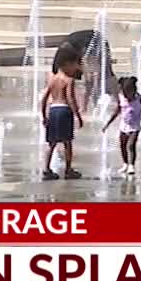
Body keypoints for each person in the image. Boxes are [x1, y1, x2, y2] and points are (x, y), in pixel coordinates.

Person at [39, 44, 85, 180]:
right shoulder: (69, 80)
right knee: (67, 142)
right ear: (67, 64)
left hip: (53, 110)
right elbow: (70, 99)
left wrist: (44, 115)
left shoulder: (52, 79)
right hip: (64, 111)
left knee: (52, 143)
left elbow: (44, 98)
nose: (77, 68)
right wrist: (78, 116)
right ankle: (68, 170)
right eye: (75, 64)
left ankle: (46, 169)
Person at [100, 75, 141, 176]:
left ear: (134, 90)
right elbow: (116, 112)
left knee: (131, 145)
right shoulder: (121, 98)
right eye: (125, 94)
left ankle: (131, 166)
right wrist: (107, 124)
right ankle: (125, 164)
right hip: (123, 126)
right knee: (122, 145)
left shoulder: (140, 98)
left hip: (135, 126)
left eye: (128, 94)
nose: (127, 97)